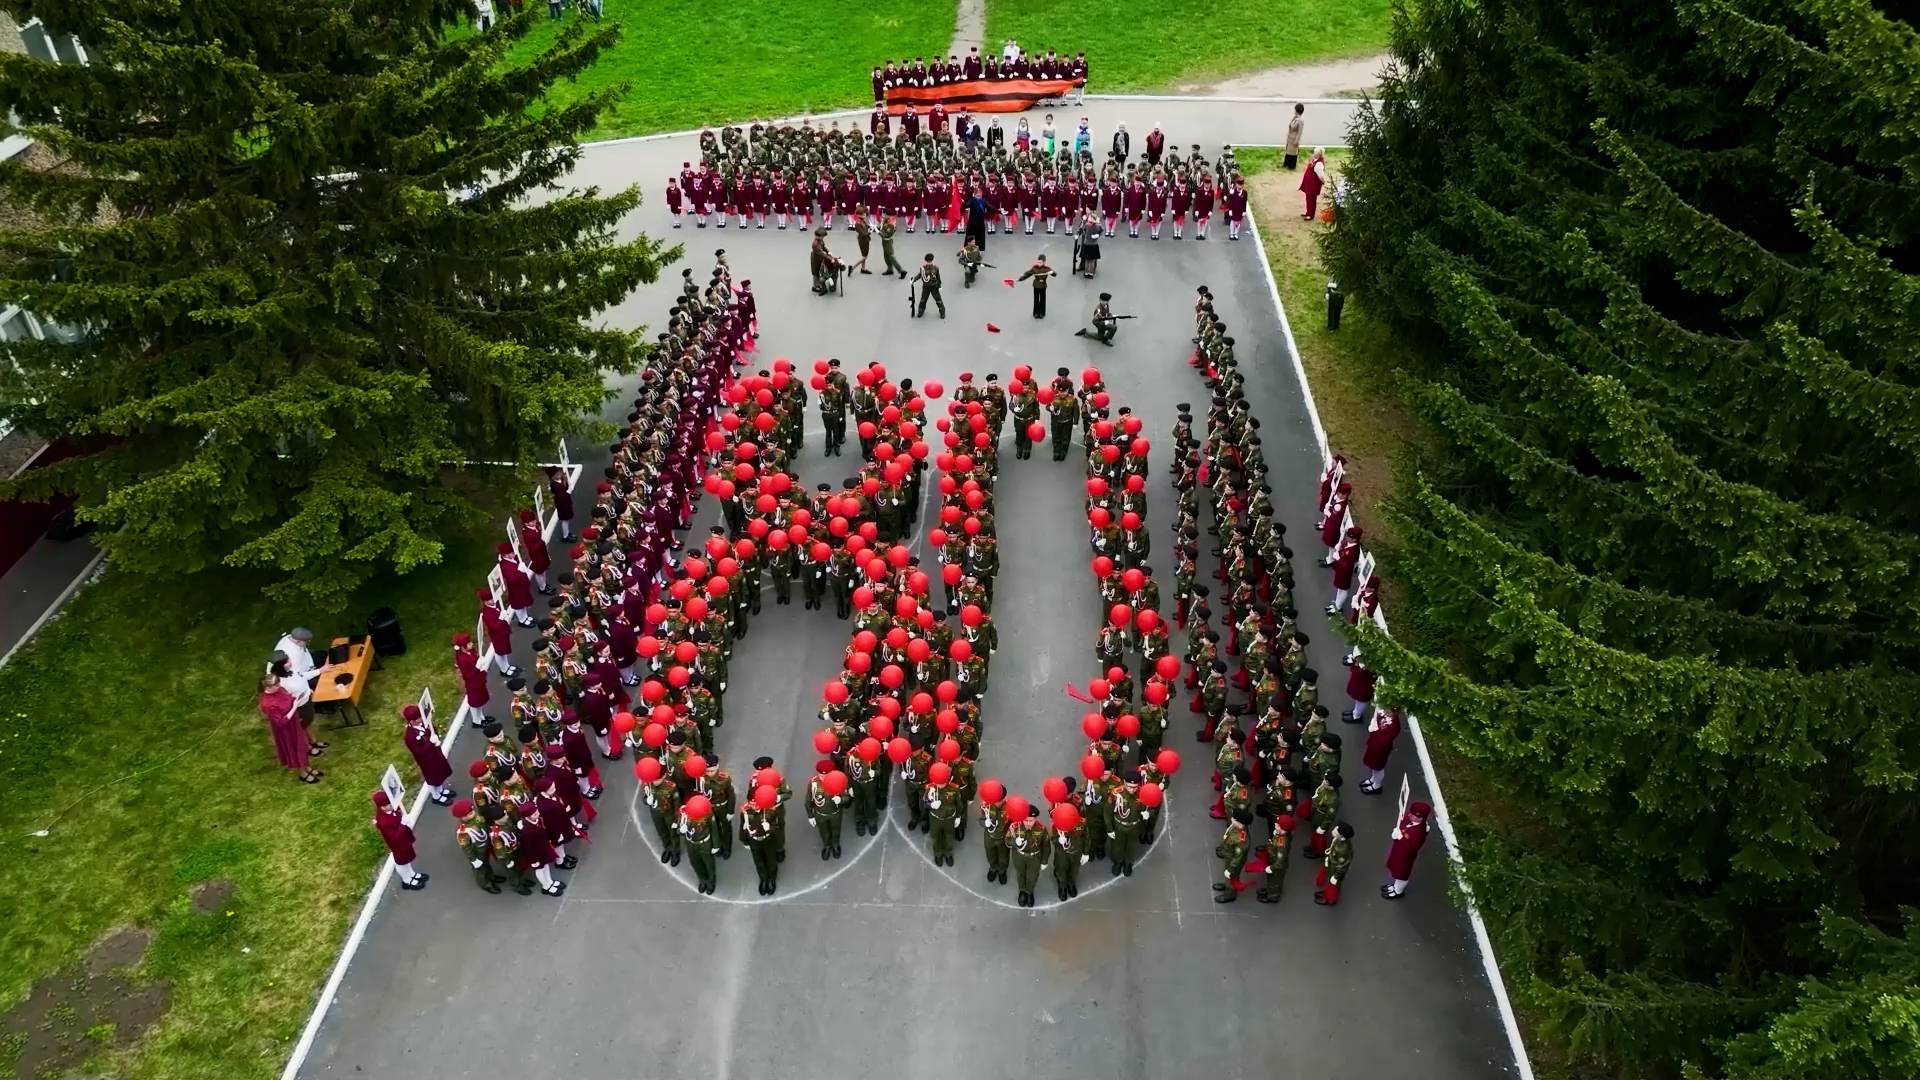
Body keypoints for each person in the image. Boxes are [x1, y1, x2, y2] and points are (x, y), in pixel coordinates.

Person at [259, 673, 322, 783]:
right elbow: (280, 722)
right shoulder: (268, 704)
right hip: (285, 730)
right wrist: (294, 707)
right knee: (294, 749)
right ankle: (302, 773)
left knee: (302, 746)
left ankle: (307, 767)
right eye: (276, 685)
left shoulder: (280, 690)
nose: (279, 686)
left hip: (293, 723)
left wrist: (297, 699)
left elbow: (288, 699)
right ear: (268, 687)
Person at [372, 791, 429, 890]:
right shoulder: (383, 821)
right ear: (383, 807)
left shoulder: (392, 808)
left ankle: (411, 874)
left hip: (404, 840)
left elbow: (397, 812)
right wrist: (402, 824)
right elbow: (393, 836)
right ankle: (406, 880)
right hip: (398, 845)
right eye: (389, 804)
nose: (392, 805)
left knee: (407, 859)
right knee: (401, 862)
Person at [402, 704, 455, 804]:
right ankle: (436, 796)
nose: (421, 719)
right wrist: (430, 742)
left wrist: (434, 734)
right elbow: (418, 752)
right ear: (412, 721)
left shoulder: (424, 723)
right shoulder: (410, 736)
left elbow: (432, 729)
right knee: (432, 778)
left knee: (440, 773)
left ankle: (440, 790)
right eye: (418, 718)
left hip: (435, 754)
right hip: (427, 761)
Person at [1383, 801, 1432, 899]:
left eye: (1413, 815)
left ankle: (1398, 891)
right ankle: (1395, 886)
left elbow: (1412, 848)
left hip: (1405, 858)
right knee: (1397, 871)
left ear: (1420, 818)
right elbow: (1402, 824)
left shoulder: (1419, 832)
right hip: (1398, 852)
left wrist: (1400, 837)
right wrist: (1396, 832)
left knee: (1402, 874)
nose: (1409, 815)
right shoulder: (1409, 819)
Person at [1017, 253, 1054, 318]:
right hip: (1036, 286)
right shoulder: (1034, 268)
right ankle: (1036, 313)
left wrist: (1052, 272)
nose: (1039, 263)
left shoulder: (1047, 269)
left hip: (1043, 286)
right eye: (1039, 261)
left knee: (1042, 300)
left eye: (1041, 262)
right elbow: (1027, 274)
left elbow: (1055, 274)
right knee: (1036, 299)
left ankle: (1042, 313)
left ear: (1044, 262)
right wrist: (1020, 279)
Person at [912, 253, 946, 318]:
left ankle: (942, 312)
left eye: (930, 261)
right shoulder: (924, 268)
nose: (929, 262)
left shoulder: (935, 268)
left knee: (938, 300)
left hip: (933, 286)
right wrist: (914, 280)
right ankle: (921, 311)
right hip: (927, 287)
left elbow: (938, 277)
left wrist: (939, 286)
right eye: (928, 261)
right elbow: (920, 275)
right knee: (923, 300)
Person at [1301, 147, 1328, 220]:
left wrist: (1323, 181)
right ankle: (1308, 212)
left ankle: (1310, 215)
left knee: (1311, 199)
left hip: (1313, 185)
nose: (1313, 154)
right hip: (1309, 183)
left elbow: (1321, 175)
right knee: (1308, 199)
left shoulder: (1319, 164)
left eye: (1315, 153)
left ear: (1319, 154)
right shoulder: (1314, 160)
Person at [1075, 213, 1101, 278]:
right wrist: (1077, 234)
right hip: (1086, 241)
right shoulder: (1086, 220)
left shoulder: (1094, 221)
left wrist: (1098, 235)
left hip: (1092, 242)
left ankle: (1091, 270)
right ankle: (1084, 268)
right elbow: (1081, 228)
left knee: (1092, 259)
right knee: (1085, 256)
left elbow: (1100, 229)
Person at [852, 208, 874, 274]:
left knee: (864, 255)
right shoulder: (857, 224)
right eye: (863, 214)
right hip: (863, 240)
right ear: (859, 215)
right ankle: (853, 267)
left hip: (866, 240)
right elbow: (863, 234)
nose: (865, 215)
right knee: (865, 257)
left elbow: (866, 226)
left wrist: (870, 226)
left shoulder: (862, 220)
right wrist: (870, 232)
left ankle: (863, 268)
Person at [1284, 103, 1305, 169]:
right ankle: (1286, 164)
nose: (1294, 110)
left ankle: (1291, 166)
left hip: (1294, 139)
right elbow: (1290, 126)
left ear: (1297, 110)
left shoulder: (1300, 121)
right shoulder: (1295, 118)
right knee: (1288, 151)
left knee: (1293, 152)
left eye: (1295, 109)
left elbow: (1299, 132)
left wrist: (1296, 141)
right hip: (1290, 138)